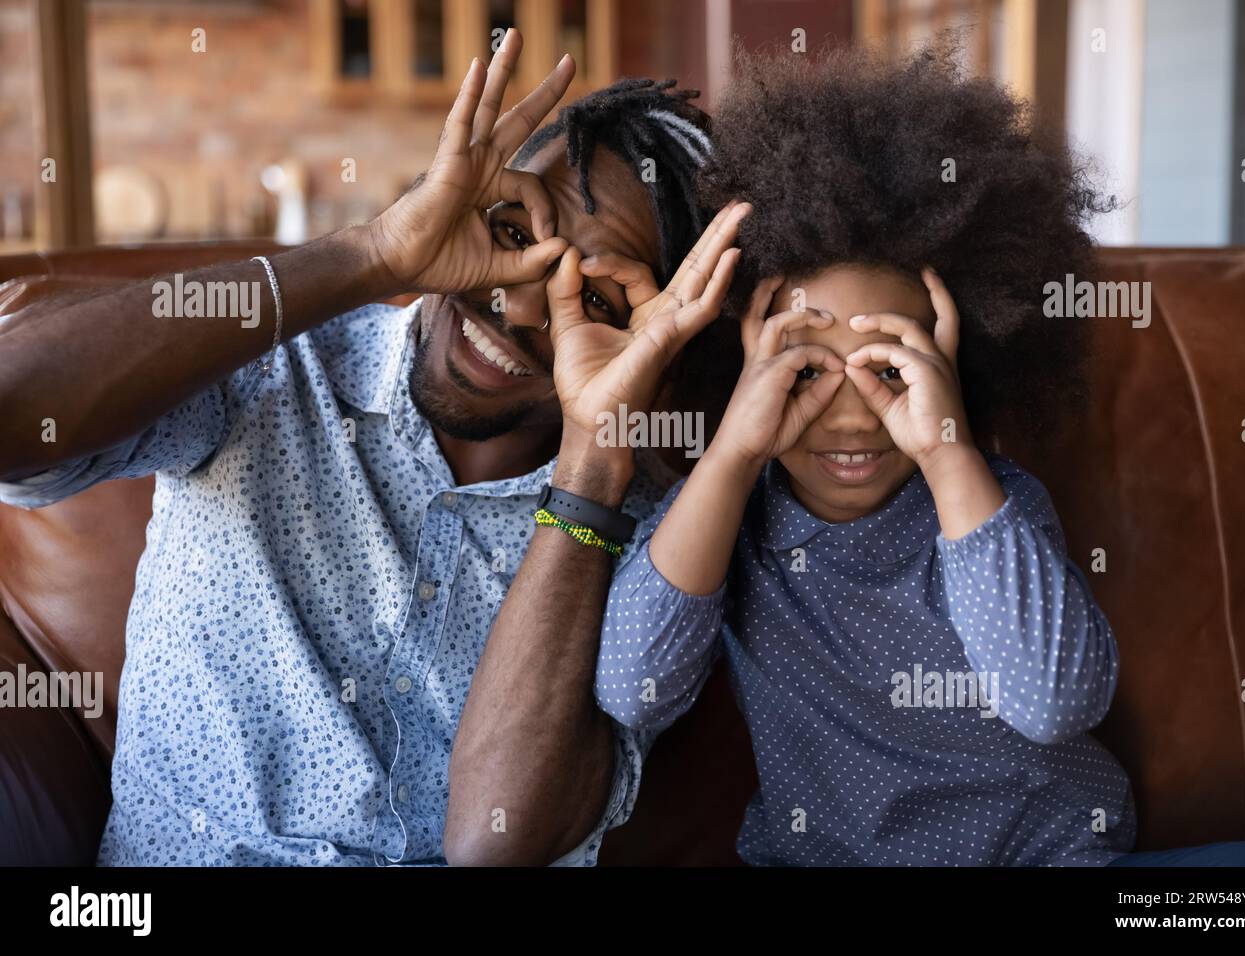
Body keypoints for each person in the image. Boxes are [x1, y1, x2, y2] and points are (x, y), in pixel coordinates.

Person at [0, 30, 745, 866]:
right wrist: (373, 252)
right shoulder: (269, 357)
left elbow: (498, 846)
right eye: (510, 232)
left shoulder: (648, 533)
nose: (520, 306)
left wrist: (591, 459)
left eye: (598, 302)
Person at [594, 45, 1245, 867]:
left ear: (955, 362)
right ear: (738, 368)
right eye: (804, 369)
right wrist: (732, 452)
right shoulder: (724, 529)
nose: (854, 416)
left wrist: (946, 447)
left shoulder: (991, 505)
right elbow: (630, 686)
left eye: (888, 366)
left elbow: (1053, 702)